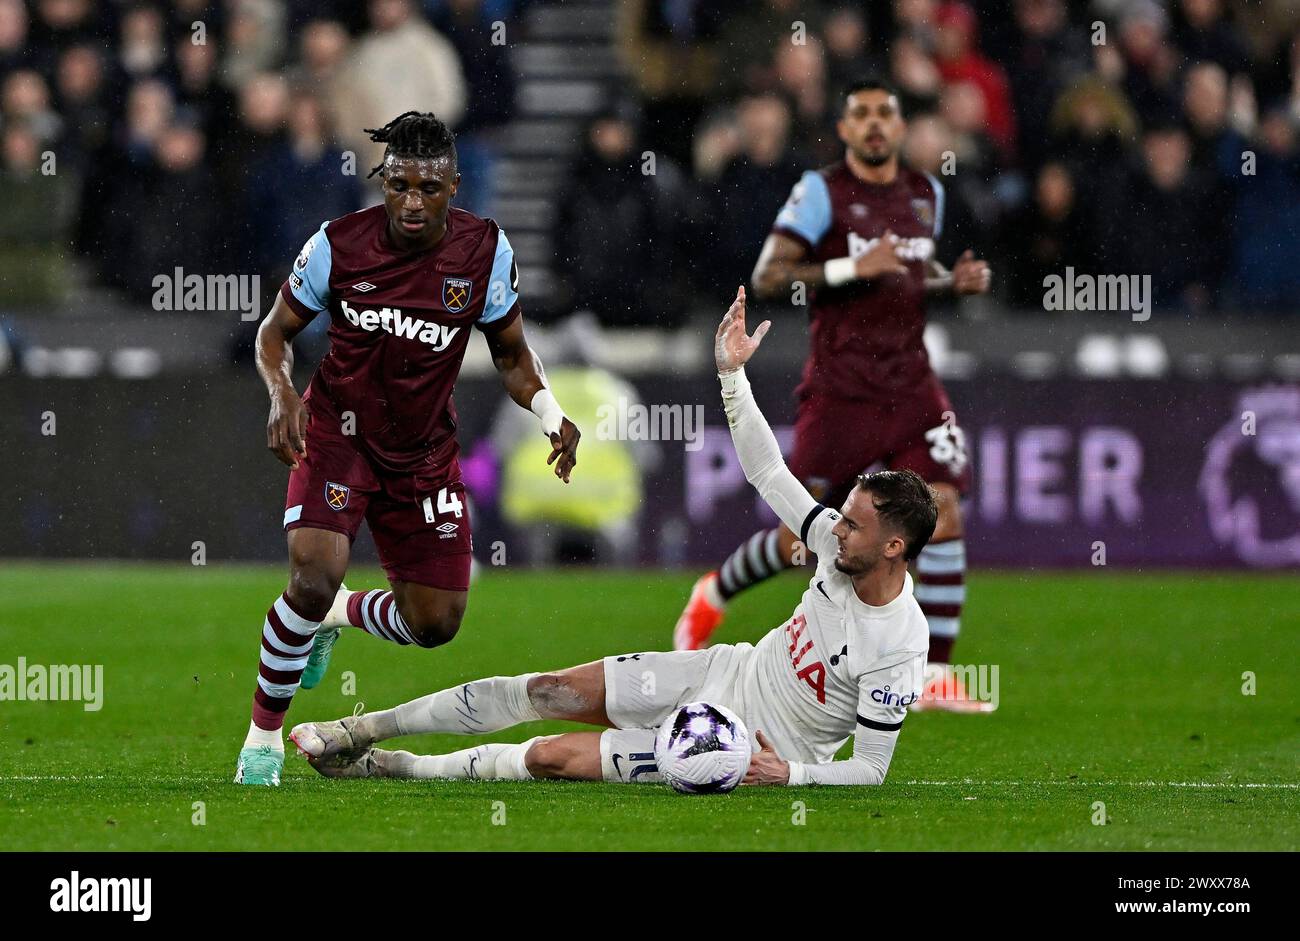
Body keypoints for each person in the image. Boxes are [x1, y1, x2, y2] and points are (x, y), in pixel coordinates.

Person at [291, 287, 934, 787]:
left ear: (893, 548)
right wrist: (731, 378)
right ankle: (361, 727)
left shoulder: (899, 644)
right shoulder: (833, 545)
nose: (835, 528)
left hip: (737, 746)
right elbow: (769, 472)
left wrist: (786, 775)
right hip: (721, 670)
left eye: (853, 524)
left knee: (547, 758)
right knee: (545, 690)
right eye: (842, 516)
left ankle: (389, 766)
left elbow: (871, 770)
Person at [234, 111, 582, 786]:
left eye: (427, 187)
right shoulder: (339, 244)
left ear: (455, 185)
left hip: (424, 451)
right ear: (382, 181)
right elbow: (272, 334)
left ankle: (339, 615)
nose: (411, 202)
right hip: (338, 433)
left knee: (436, 622)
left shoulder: (486, 252)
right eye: (398, 186)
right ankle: (262, 739)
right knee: (311, 574)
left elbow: (511, 354)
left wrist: (549, 409)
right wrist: (282, 394)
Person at [673, 78, 994, 713]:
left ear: (900, 128)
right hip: (841, 388)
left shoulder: (927, 193)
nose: (875, 124)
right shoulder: (821, 192)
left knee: (946, 506)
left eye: (886, 113)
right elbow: (769, 275)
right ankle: (713, 592)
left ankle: (931, 674)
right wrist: (849, 268)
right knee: (811, 540)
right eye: (861, 115)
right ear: (844, 130)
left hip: (910, 382)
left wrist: (947, 282)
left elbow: (905, 273)